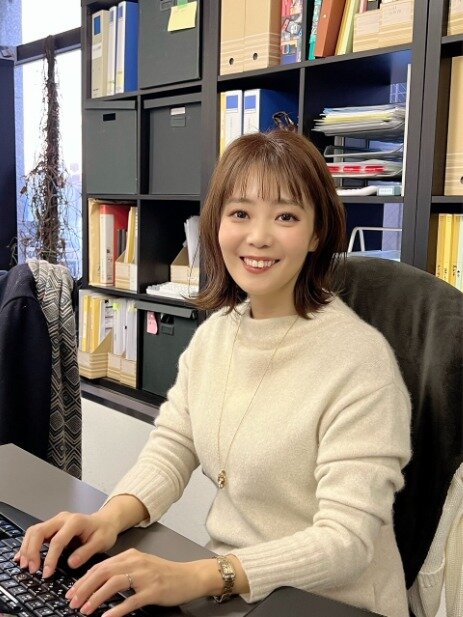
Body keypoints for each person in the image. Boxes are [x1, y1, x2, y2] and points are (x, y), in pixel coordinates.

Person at [15, 131, 412, 617]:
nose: (258, 236)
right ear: (216, 225)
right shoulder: (217, 335)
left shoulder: (360, 362)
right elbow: (173, 447)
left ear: (316, 234)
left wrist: (202, 575)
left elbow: (346, 540)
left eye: (286, 216)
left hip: (332, 603)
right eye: (240, 213)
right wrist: (108, 517)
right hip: (235, 591)